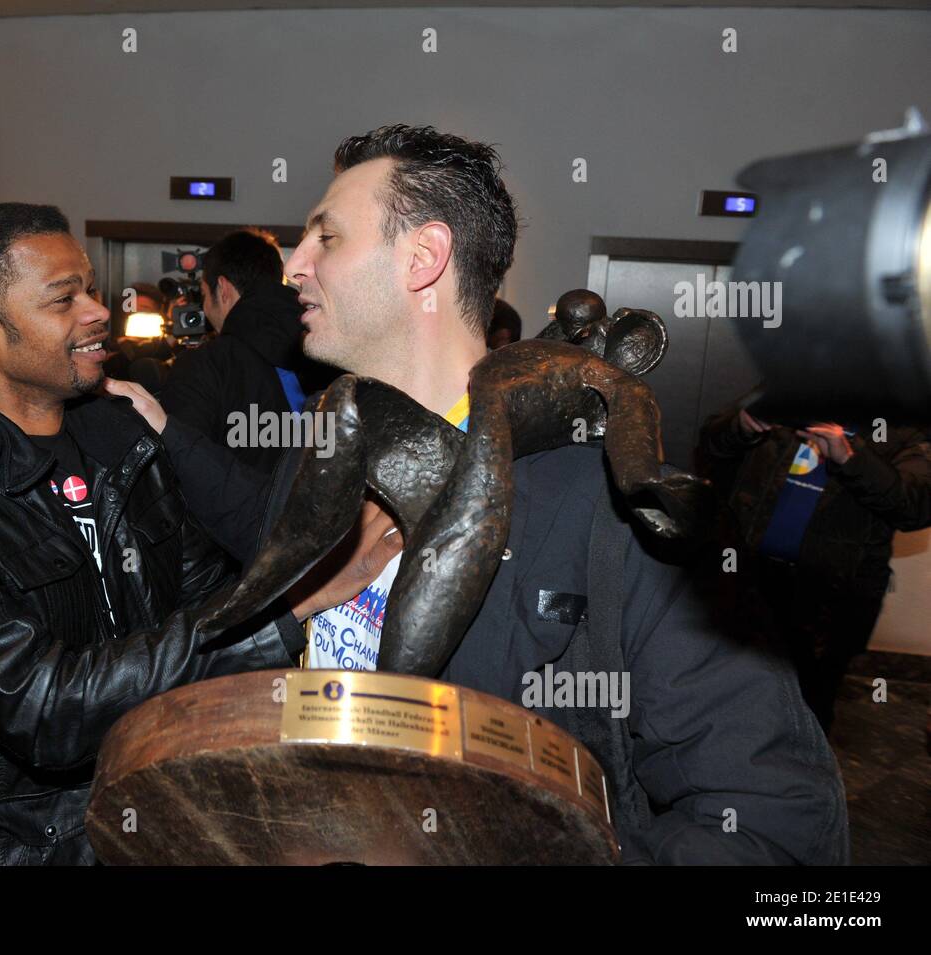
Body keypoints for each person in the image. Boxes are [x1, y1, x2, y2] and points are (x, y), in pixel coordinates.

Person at [106, 124, 849, 865]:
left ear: (423, 258)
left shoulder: (615, 512)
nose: (295, 266)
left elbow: (777, 829)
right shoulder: (319, 447)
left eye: (325, 238)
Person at [0, 203, 382, 865]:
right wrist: (284, 616)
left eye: (89, 288)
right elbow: (42, 705)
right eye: (64, 299)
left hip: (148, 812)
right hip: (14, 850)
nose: (97, 311)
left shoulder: (118, 431)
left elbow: (204, 591)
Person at [698, 403, 931, 734]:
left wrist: (849, 457)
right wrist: (740, 424)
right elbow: (711, 444)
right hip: (748, 578)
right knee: (725, 699)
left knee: (805, 713)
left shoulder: (908, 425)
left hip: (829, 599)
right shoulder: (790, 391)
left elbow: (914, 505)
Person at [161, 229, 335, 475]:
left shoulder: (204, 366)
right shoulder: (332, 349)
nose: (205, 310)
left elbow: (182, 471)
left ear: (222, 288)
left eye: (203, 295)